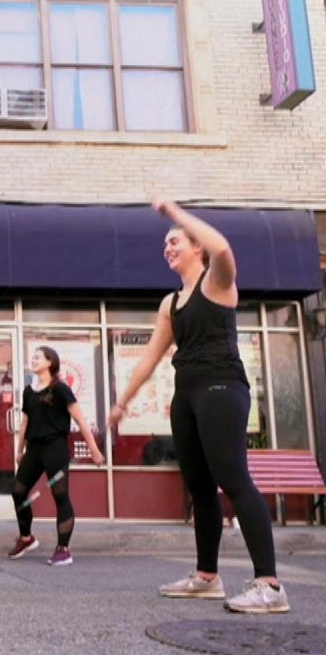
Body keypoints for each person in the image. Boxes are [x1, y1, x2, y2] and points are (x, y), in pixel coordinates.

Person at [110, 199, 289, 614]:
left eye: (175, 242)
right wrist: (121, 403)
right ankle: (207, 577)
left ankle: (270, 584)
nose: (167, 248)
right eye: (165, 243)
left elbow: (224, 249)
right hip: (186, 396)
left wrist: (176, 214)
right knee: (200, 487)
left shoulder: (218, 282)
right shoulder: (170, 304)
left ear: (197, 248)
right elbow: (150, 358)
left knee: (233, 479)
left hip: (222, 389)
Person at [7, 346, 105, 566]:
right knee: (17, 491)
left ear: (50, 362)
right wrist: (19, 449)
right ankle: (26, 538)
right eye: (32, 357)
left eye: (38, 357)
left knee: (60, 495)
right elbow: (25, 423)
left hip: (55, 448)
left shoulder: (61, 389)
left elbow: (80, 420)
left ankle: (63, 549)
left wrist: (95, 451)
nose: (33, 360)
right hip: (34, 449)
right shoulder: (28, 391)